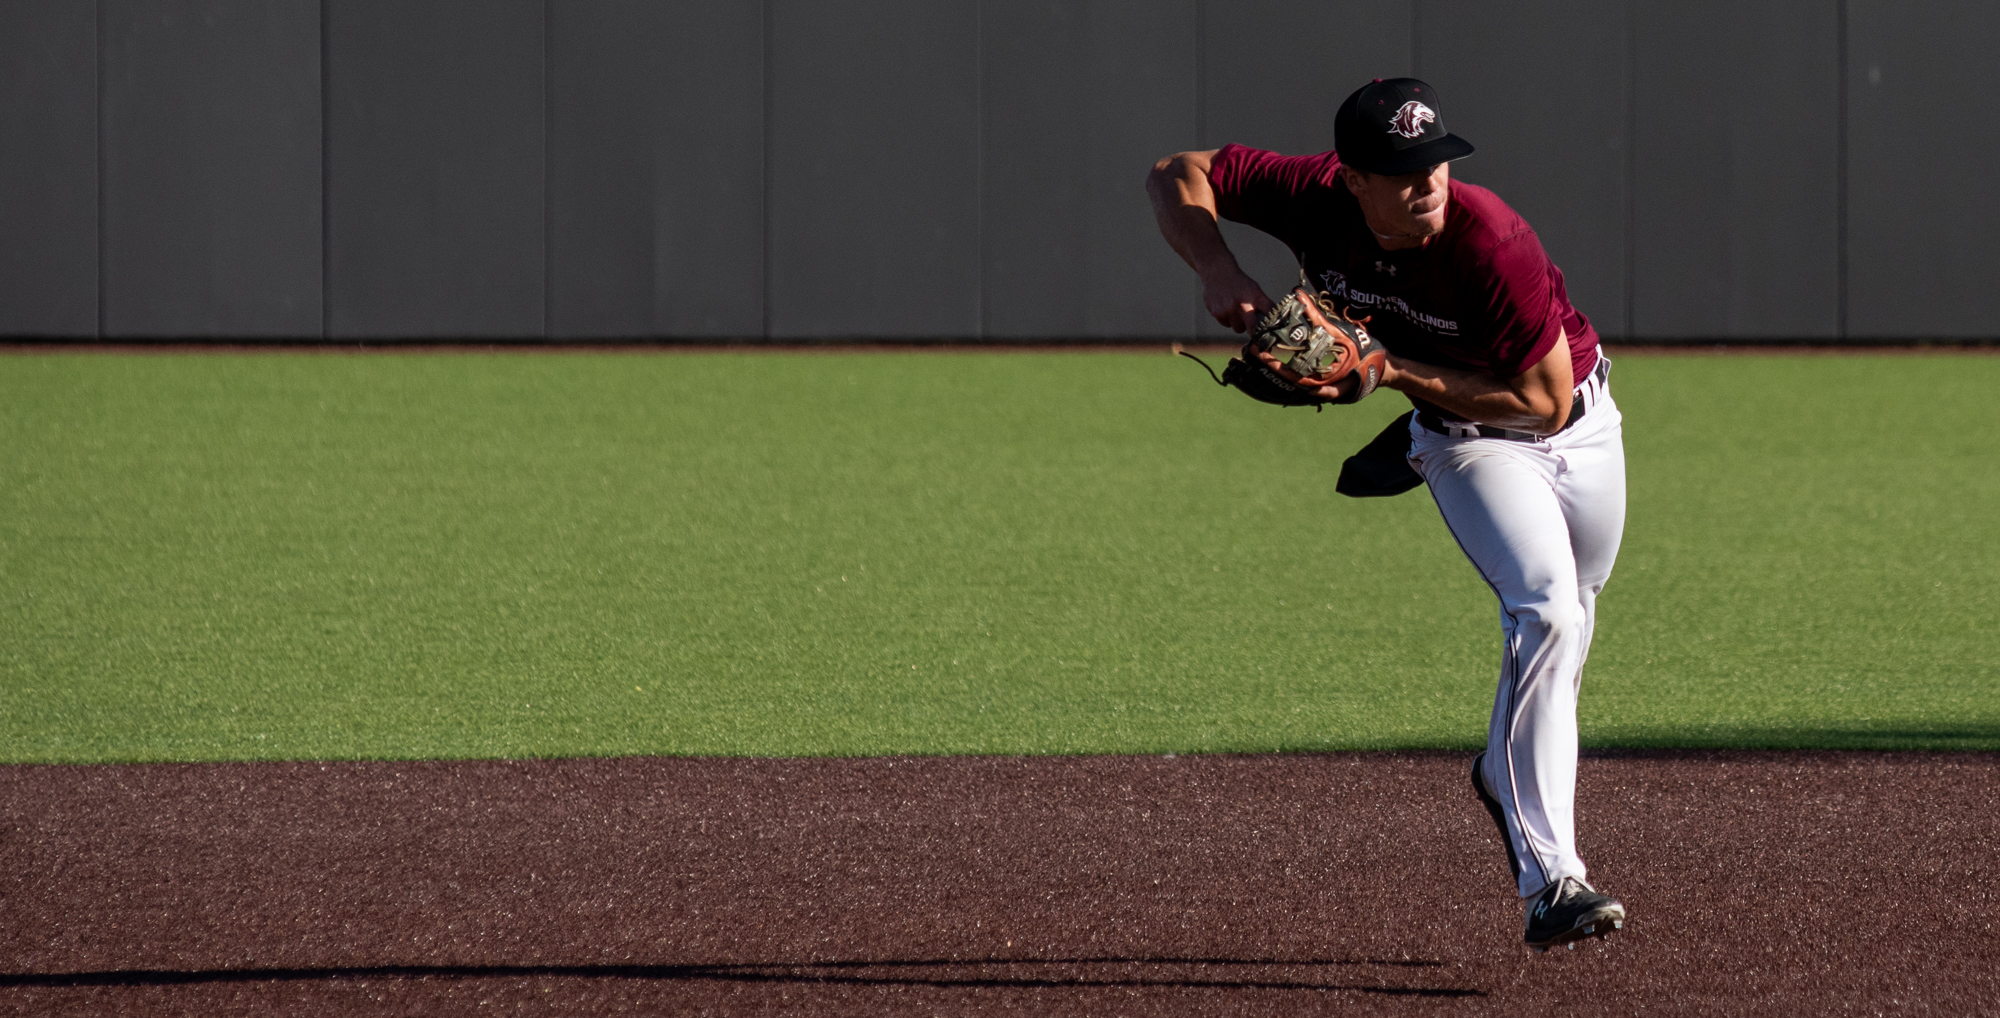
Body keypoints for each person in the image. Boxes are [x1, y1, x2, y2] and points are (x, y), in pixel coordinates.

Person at [1146, 77, 1629, 952]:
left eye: (1436, 162)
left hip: (1575, 424)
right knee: (1547, 613)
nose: (1427, 182)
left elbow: (1544, 403)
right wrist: (1218, 267)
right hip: (1466, 444)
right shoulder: (1311, 195)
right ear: (1352, 179)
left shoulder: (1494, 240)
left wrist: (1390, 370)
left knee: (1574, 618)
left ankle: (1502, 775)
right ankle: (1552, 880)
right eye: (1403, 172)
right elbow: (1177, 172)